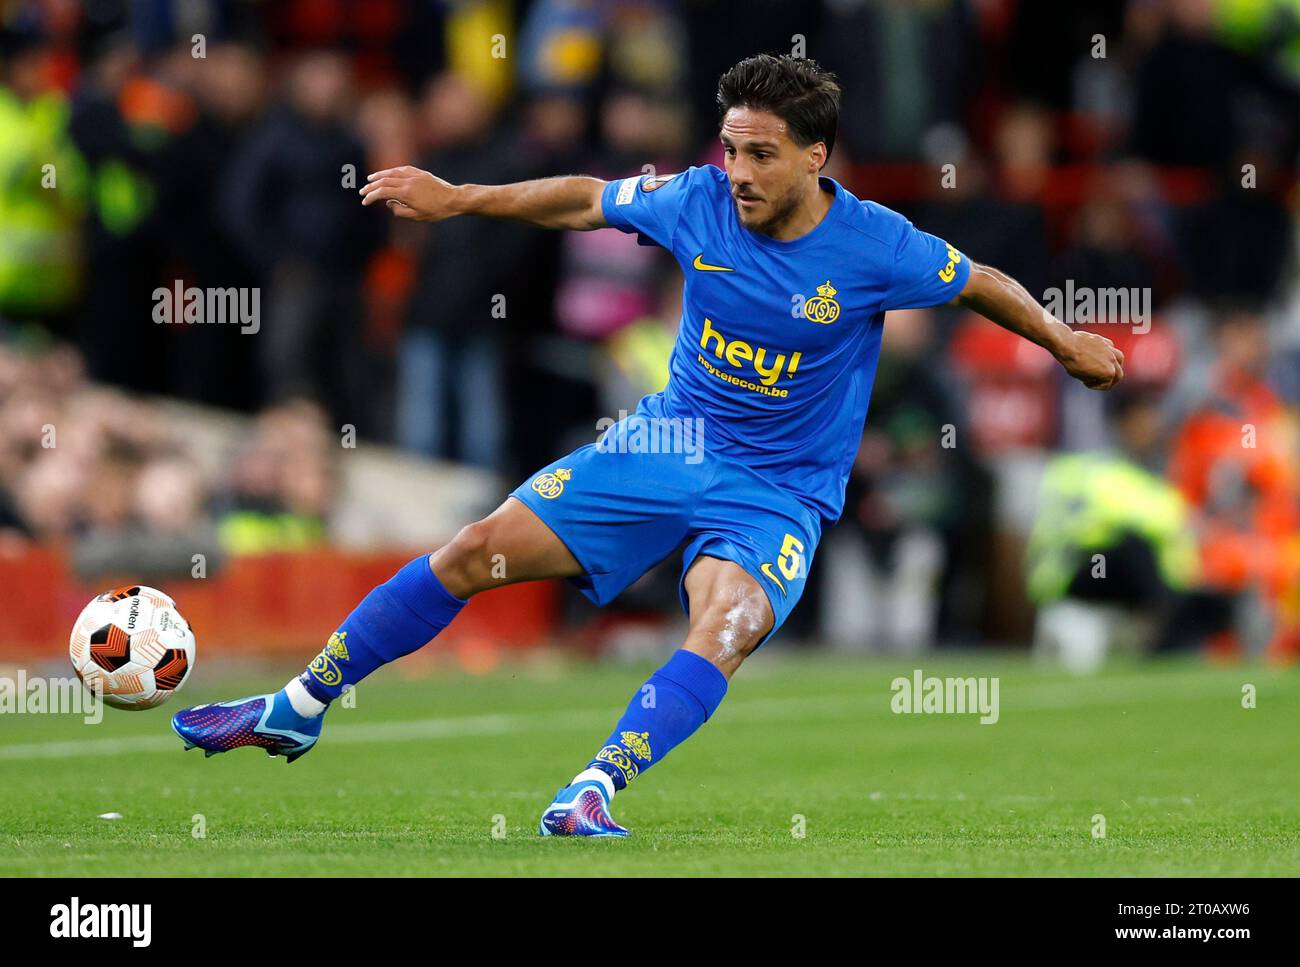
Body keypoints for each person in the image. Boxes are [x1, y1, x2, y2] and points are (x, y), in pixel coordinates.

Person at [172, 54, 1123, 836]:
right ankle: (297, 707)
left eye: (762, 154)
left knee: (724, 626)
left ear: (815, 157)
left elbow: (979, 280)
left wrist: (1066, 339)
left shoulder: (876, 243)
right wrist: (460, 197)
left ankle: (593, 786)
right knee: (471, 551)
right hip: (665, 441)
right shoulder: (697, 201)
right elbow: (585, 198)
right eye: (732, 148)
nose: (740, 171)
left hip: (777, 490)